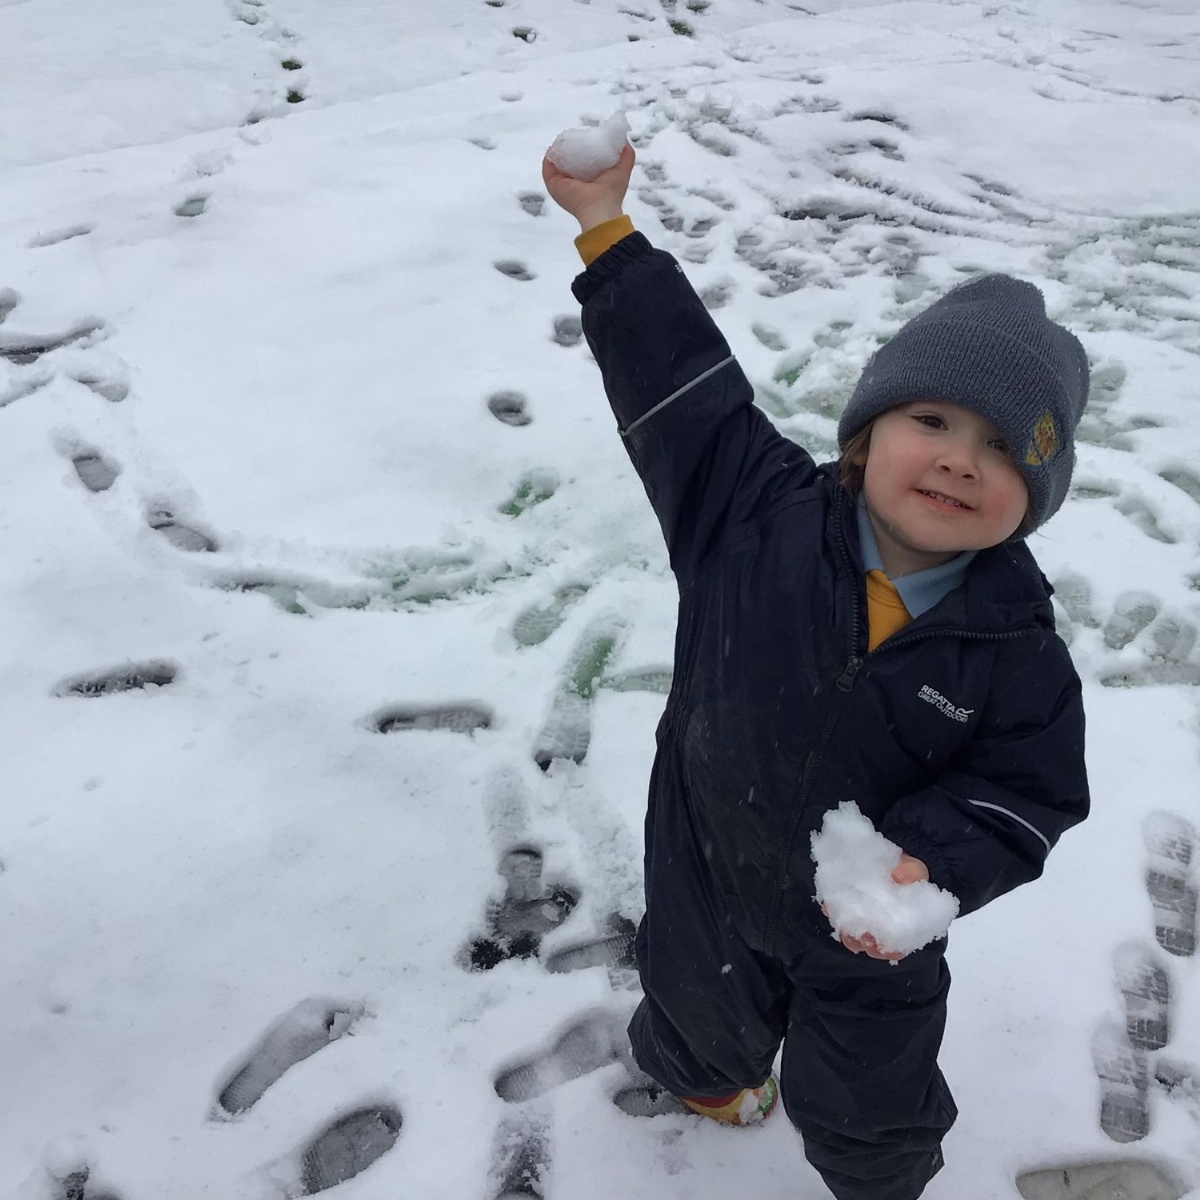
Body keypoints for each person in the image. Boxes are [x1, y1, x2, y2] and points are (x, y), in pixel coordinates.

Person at [541, 142, 1090, 1200]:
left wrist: (924, 862)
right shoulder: (748, 511)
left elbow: (1030, 791)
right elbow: (679, 383)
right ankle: (713, 1085)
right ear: (866, 431)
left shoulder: (1018, 649)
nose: (957, 458)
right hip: (711, 865)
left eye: (1000, 449)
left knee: (871, 1108)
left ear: (1033, 495)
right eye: (930, 419)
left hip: (869, 937)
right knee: (695, 1021)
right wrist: (605, 227)